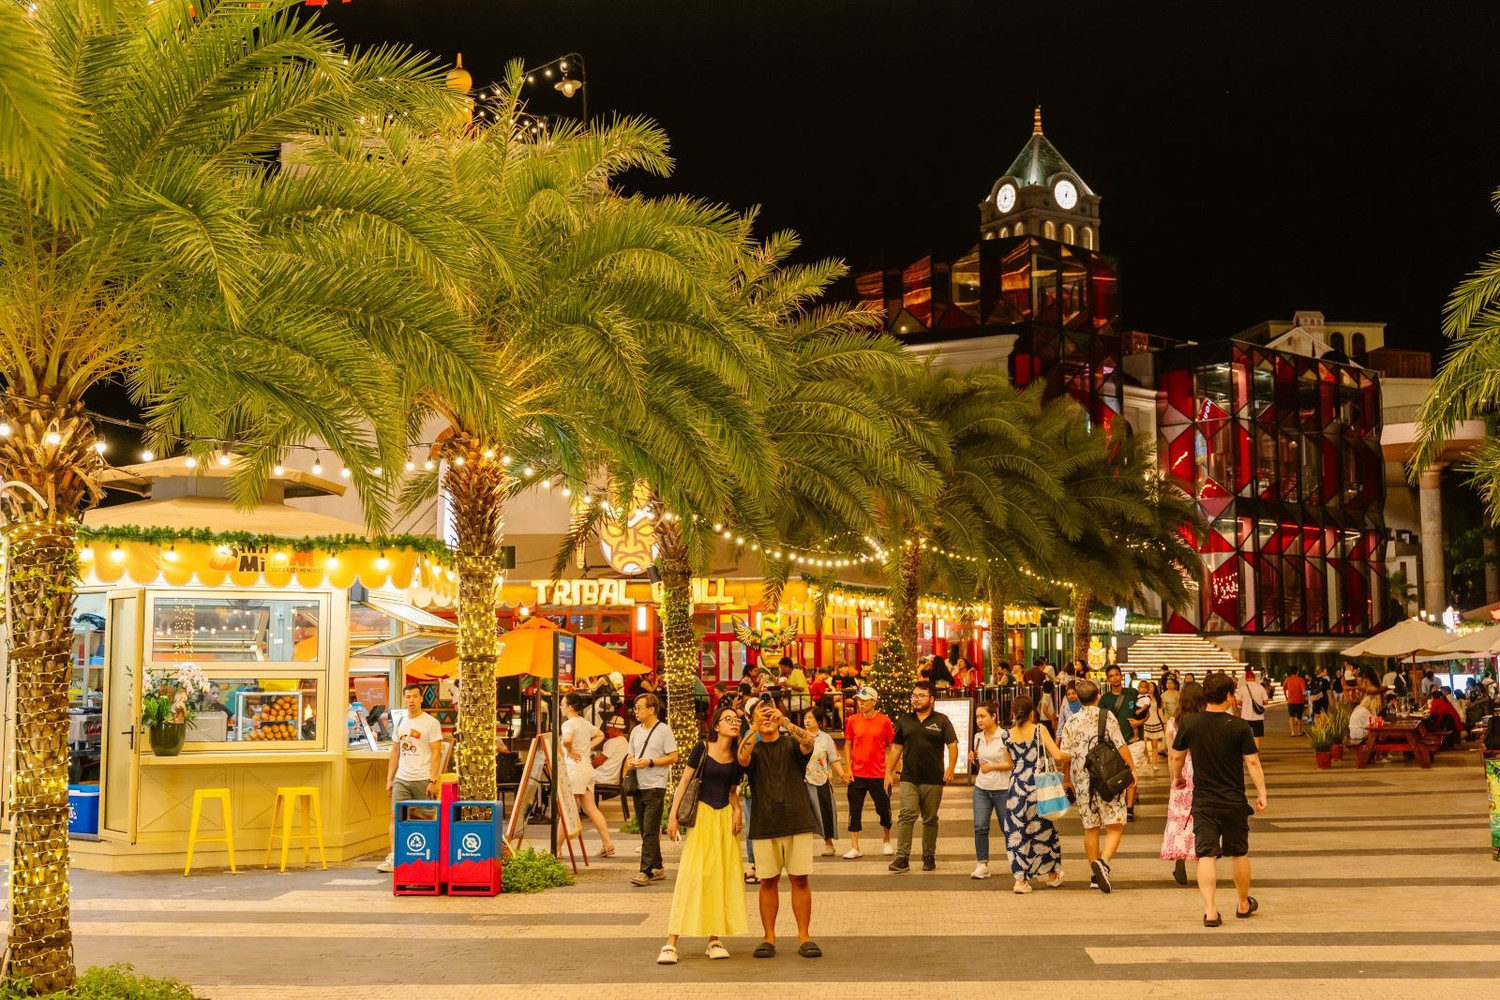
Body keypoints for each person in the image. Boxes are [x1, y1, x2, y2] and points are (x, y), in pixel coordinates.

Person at [1170, 670, 1268, 926]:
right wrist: (1262, 793)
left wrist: (1177, 777)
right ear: (1227, 696)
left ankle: (1211, 911)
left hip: (1204, 802)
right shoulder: (1239, 726)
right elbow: (1253, 762)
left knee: (1206, 856)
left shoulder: (1190, 723)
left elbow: (1177, 755)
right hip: (1234, 802)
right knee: (1239, 854)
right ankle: (1243, 903)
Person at [659, 705, 746, 964]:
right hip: (702, 819)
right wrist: (673, 816)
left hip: (725, 821)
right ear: (716, 726)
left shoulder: (738, 759)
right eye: (727, 719)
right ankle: (671, 941)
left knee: (720, 877)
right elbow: (684, 782)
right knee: (692, 875)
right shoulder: (702, 749)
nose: (734, 723)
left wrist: (738, 809)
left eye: (736, 719)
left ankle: (714, 938)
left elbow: (732, 792)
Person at [736, 700, 823, 959]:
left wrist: (783, 721)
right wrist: (754, 726)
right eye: (760, 715)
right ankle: (769, 938)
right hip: (765, 823)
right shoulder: (753, 748)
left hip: (797, 820)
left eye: (769, 713)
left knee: (800, 879)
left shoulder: (790, 744)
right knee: (768, 881)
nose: (767, 718)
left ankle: (804, 936)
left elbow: (808, 741)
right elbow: (741, 757)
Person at [1058, 678, 1135, 892]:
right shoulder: (1106, 715)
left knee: (1090, 827)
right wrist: (1132, 770)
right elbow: (1120, 745)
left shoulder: (1071, 721)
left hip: (1082, 781)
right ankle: (1103, 862)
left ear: (1078, 698)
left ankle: (1094, 875)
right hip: (1108, 777)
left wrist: (1067, 779)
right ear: (1097, 696)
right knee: (1115, 824)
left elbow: (1065, 756)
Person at [886, 680, 958, 873]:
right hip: (909, 777)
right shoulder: (905, 720)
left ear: (932, 699)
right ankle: (902, 857)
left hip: (933, 778)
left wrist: (950, 767)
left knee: (930, 819)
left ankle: (928, 856)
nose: (916, 700)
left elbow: (952, 745)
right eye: (914, 696)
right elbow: (896, 748)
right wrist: (888, 772)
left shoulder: (942, 721)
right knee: (906, 815)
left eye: (921, 696)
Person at [999, 695, 1065, 893]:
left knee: (1017, 833)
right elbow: (1058, 755)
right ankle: (1052, 874)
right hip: (1037, 788)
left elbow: (1010, 764)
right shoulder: (1039, 729)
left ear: (1013, 712)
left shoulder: (1006, 736)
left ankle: (1020, 880)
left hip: (1015, 790)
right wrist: (1074, 755)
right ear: (1032, 713)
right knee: (1044, 831)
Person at [377, 683, 443, 873]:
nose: (411, 700)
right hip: (402, 778)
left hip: (423, 778)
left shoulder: (431, 723)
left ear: (421, 698)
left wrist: (433, 780)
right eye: (408, 697)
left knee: (427, 816)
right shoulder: (400, 722)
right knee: (394, 815)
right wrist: (390, 778)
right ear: (404, 699)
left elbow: (436, 753)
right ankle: (394, 857)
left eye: (415, 696)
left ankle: (428, 857)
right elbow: (395, 751)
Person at [625, 693, 679, 887]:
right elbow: (630, 752)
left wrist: (651, 762)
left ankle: (644, 871)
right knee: (644, 829)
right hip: (638, 784)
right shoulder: (635, 731)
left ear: (652, 709)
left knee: (649, 829)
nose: (636, 711)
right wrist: (631, 760)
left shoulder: (664, 730)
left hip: (655, 785)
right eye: (636, 707)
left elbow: (673, 757)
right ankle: (657, 867)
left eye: (639, 707)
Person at [1160, 681, 1207, 886]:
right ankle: (1203, 859)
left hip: (1182, 772)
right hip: (1203, 772)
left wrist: (1174, 778)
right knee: (1201, 817)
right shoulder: (1205, 721)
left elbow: (1172, 755)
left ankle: (1179, 856)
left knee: (1179, 817)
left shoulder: (1173, 723)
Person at [841, 686, 894, 858]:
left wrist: (891, 771)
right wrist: (847, 768)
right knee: (854, 810)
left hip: (878, 773)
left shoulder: (884, 721)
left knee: (884, 809)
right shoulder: (853, 720)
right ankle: (855, 846)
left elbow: (894, 746)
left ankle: (886, 840)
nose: (861, 704)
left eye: (864, 701)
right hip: (857, 773)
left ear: (874, 701)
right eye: (859, 701)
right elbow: (848, 744)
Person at [560, 693, 616, 857]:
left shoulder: (568, 724)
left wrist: (570, 751)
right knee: (591, 809)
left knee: (567, 810)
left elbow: (567, 740)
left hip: (574, 770)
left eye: (563, 704)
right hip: (587, 770)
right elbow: (601, 735)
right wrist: (587, 747)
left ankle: (556, 848)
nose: (561, 707)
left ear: (570, 707)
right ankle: (608, 843)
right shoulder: (584, 723)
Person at [969, 701, 1011, 880]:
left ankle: (1016, 860)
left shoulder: (1005, 736)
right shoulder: (978, 737)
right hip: (982, 787)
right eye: (978, 716)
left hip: (1002, 788)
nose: (979, 720)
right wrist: (974, 756)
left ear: (994, 716)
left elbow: (1011, 764)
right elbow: (980, 759)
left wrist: (993, 766)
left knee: (1007, 828)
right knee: (980, 826)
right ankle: (982, 864)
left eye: (983, 716)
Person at [1099, 666, 1143, 821]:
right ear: (1108, 679)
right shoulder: (1105, 699)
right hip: (1114, 743)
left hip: (1133, 740)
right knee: (1117, 774)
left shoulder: (1132, 693)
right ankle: (1121, 804)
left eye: (1117, 675)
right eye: (1111, 676)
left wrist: (1139, 722)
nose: (1115, 678)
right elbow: (1101, 721)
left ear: (1121, 676)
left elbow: (1146, 711)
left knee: (1132, 771)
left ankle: (1129, 808)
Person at [802, 706, 845, 857]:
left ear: (819, 721)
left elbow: (834, 759)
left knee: (825, 812)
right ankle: (803, 848)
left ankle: (828, 843)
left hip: (821, 780)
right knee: (802, 815)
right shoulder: (798, 736)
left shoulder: (825, 738)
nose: (807, 721)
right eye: (805, 718)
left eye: (811, 718)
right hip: (801, 782)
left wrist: (843, 775)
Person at [1235, 668, 1269, 750]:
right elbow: (1266, 701)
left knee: (1246, 736)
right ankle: (1256, 754)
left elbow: (1238, 702)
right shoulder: (1260, 688)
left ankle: (1247, 752)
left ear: (1246, 679)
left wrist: (1245, 704)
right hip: (1258, 717)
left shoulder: (1242, 688)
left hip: (1245, 716)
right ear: (1254, 678)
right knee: (1257, 737)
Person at [591, 715, 629, 785]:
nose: (607, 731)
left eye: (609, 729)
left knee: (580, 775)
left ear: (615, 730)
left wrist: (588, 762)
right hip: (615, 778)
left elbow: (598, 762)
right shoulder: (625, 742)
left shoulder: (613, 741)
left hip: (604, 777)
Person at [1140, 679, 1165, 771]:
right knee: (1143, 744)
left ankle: (1154, 763)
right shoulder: (1142, 697)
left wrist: (1164, 722)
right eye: (1148, 686)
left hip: (1155, 722)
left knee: (1155, 745)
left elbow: (1160, 711)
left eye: (1151, 686)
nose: (1149, 688)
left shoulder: (1158, 699)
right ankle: (1147, 758)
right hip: (1144, 722)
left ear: (1154, 688)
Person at [1282, 666, 1307, 737]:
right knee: (1299, 717)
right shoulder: (1301, 680)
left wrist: (1286, 697)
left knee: (1291, 717)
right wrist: (1304, 698)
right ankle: (1299, 732)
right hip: (1299, 701)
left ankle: (1292, 732)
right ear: (1297, 672)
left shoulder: (1287, 679)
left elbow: (1284, 689)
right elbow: (1304, 692)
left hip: (1290, 701)